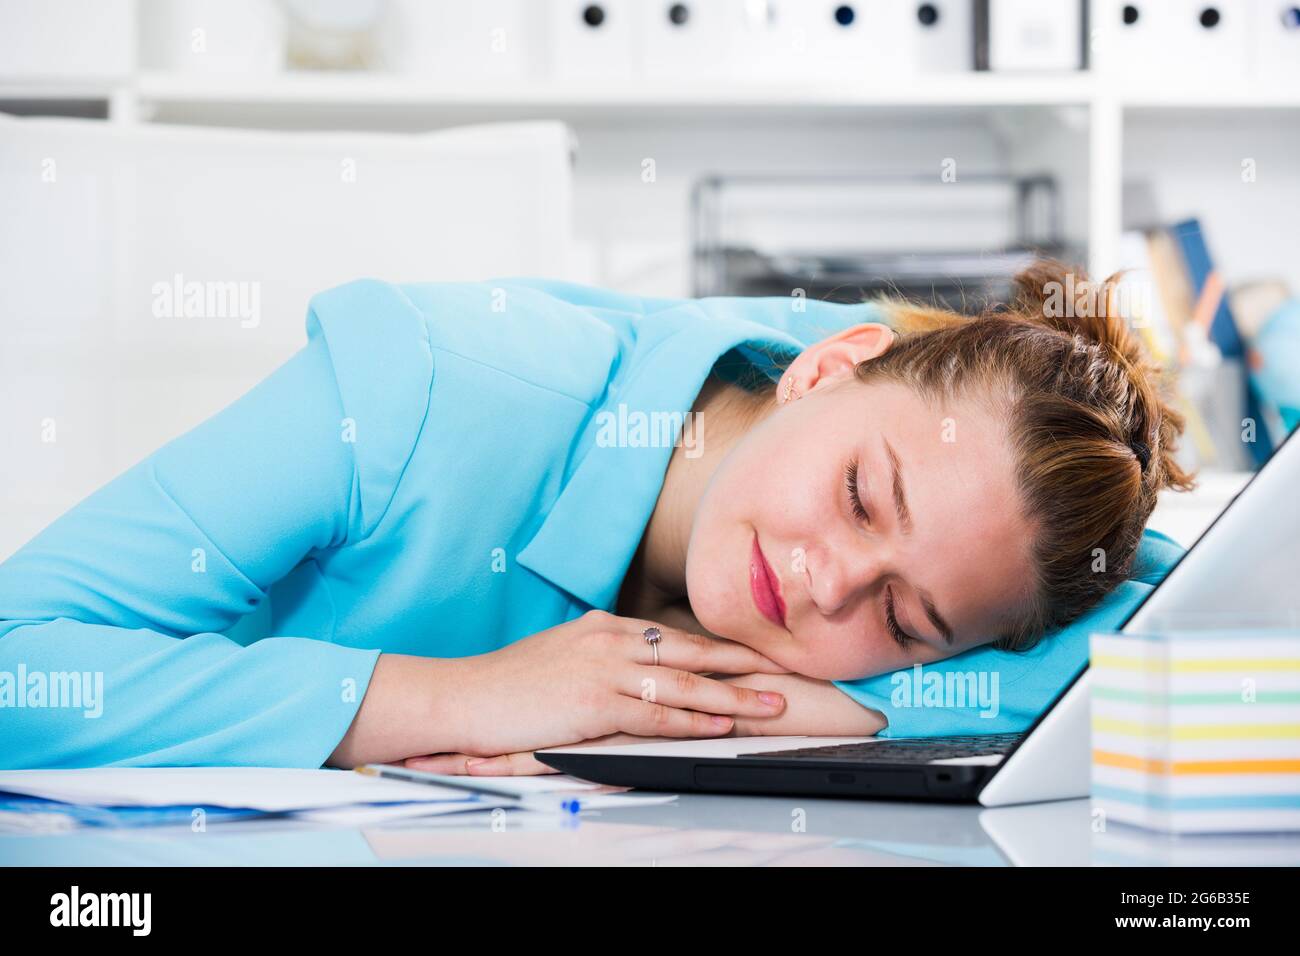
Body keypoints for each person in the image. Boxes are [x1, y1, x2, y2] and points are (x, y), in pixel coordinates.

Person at [0, 261, 1192, 771]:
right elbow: (18, 666)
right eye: (857, 497)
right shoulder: (414, 386)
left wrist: (766, 703)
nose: (826, 584)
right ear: (825, 369)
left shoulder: (936, 481)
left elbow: (1188, 654)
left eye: (904, 616)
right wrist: (446, 697)